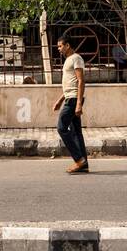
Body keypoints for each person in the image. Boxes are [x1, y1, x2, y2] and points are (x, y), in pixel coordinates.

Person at [51, 30, 88, 174]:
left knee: (61, 127)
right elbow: (70, 84)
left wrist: (78, 103)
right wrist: (60, 100)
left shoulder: (76, 58)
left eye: (60, 46)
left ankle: (78, 159)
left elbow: (80, 81)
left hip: (73, 99)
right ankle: (83, 164)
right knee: (76, 132)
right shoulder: (68, 60)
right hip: (70, 97)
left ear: (67, 45)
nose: (59, 49)